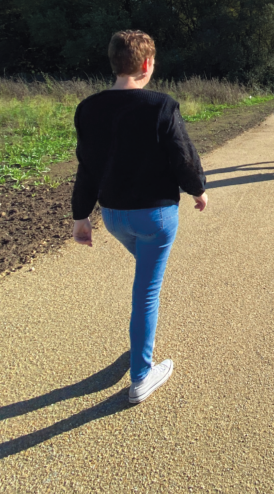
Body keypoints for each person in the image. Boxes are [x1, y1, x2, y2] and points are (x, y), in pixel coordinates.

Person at [71, 30, 208, 405]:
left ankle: (139, 341)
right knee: (146, 292)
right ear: (147, 64)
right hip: (156, 218)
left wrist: (80, 215)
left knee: (146, 277)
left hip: (114, 218)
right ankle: (141, 376)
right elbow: (183, 156)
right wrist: (198, 189)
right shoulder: (161, 105)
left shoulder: (88, 108)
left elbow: (87, 166)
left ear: (114, 63)